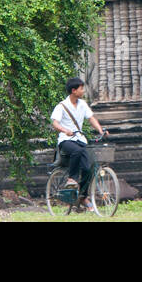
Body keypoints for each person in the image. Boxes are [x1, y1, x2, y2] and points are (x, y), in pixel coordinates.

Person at [51, 77, 108, 206]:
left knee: (88, 169)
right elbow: (55, 123)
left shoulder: (82, 104)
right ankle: (71, 178)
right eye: (81, 88)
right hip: (66, 141)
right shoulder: (62, 106)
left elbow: (91, 118)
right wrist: (64, 130)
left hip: (80, 139)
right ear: (73, 90)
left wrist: (100, 130)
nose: (83, 91)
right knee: (76, 151)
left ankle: (82, 196)